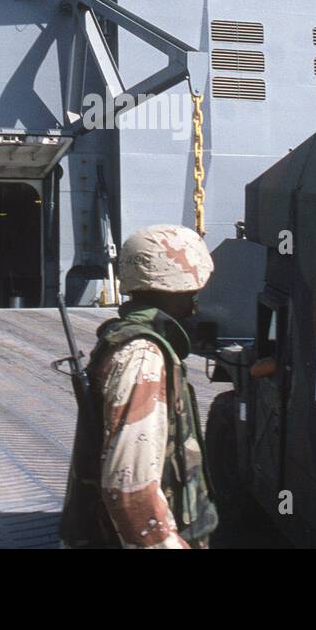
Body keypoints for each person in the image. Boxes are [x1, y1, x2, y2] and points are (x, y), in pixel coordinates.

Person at [59, 224, 218, 549]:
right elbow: (130, 489)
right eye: (192, 290)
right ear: (177, 285)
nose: (196, 301)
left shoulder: (130, 341)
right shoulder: (144, 355)